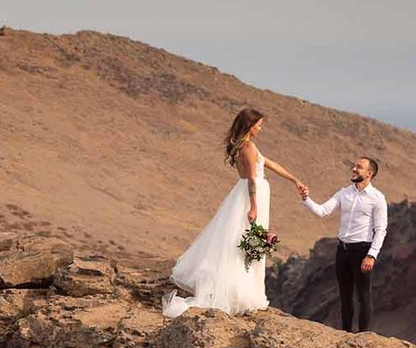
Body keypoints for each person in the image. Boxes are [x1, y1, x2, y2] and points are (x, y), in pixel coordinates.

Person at [163, 108, 308, 319]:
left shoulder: (247, 145)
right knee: (246, 241)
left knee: (244, 241)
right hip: (251, 196)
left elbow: (270, 164)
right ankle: (239, 293)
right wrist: (253, 206)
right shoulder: (247, 147)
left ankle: (239, 290)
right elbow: (251, 179)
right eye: (258, 125)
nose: (261, 128)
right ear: (249, 125)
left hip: (249, 194)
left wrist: (295, 180)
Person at [299, 157, 387, 332]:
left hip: (362, 251)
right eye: (355, 166)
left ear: (369, 174)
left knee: (363, 295)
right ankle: (345, 334)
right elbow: (323, 211)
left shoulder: (377, 198)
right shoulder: (344, 193)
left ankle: (363, 337)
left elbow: (381, 229)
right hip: (343, 251)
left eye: (359, 167)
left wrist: (372, 255)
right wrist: (306, 199)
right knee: (345, 296)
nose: (354, 169)